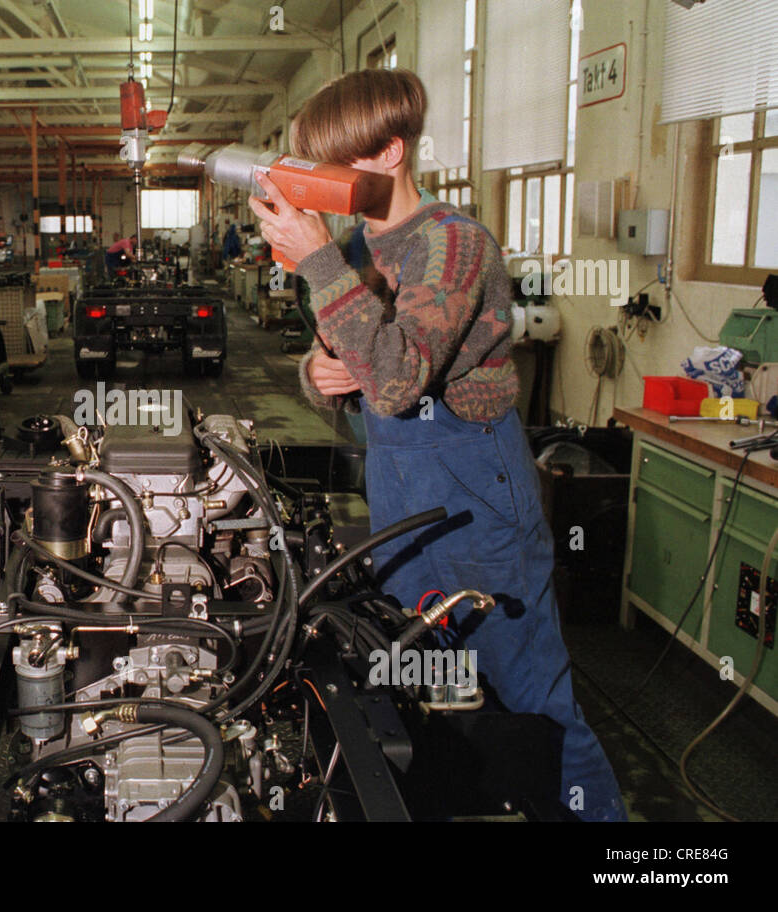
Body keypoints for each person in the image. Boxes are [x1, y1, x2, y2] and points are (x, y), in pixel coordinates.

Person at [249, 69, 626, 822]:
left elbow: (394, 382)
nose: (318, 186)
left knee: (535, 702)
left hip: (477, 505)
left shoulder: (456, 247)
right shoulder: (354, 249)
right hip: (398, 496)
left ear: (390, 152)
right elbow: (349, 359)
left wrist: (316, 260)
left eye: (334, 167)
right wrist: (315, 371)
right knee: (423, 691)